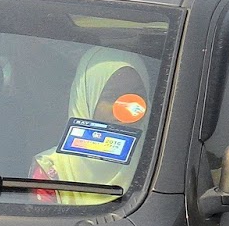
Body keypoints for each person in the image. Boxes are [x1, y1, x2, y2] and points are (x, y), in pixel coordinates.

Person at [31, 46, 151, 205]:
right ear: (86, 101)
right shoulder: (50, 171)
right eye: (110, 97)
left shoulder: (160, 163)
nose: (126, 109)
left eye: (136, 96)